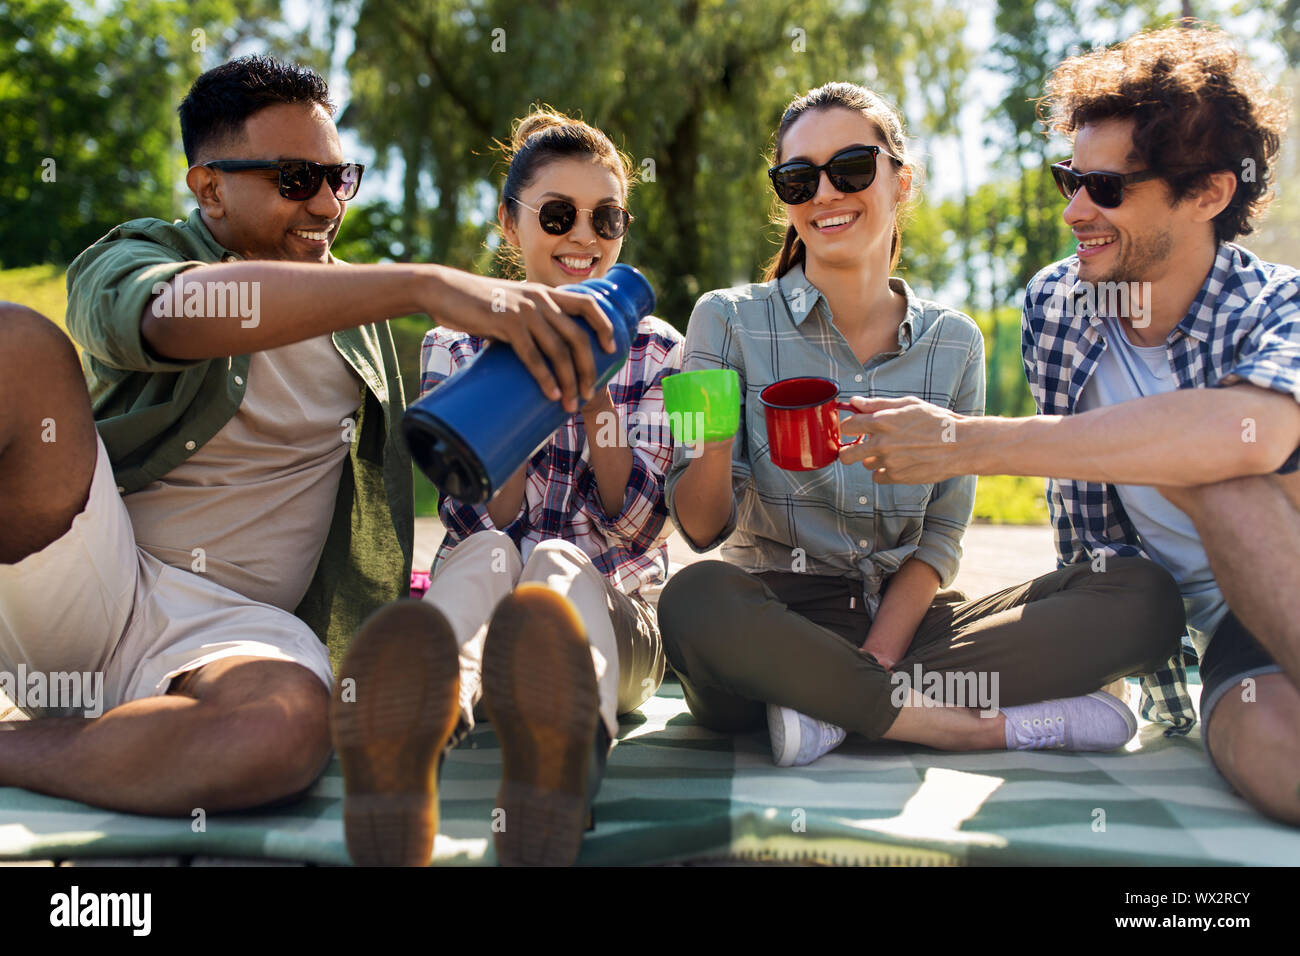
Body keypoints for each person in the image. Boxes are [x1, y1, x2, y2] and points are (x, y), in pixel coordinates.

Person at [0, 57, 614, 817]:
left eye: (339, 177)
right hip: (92, 574)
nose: (327, 204)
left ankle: (25, 745)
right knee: (16, 343)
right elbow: (164, 318)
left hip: (234, 633)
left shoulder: (364, 324)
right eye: (296, 179)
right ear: (210, 188)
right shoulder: (140, 253)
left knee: (286, 734)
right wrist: (425, 282)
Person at [834, 27, 1300, 825]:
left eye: (1108, 188)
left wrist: (964, 439)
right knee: (1278, 767)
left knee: (1223, 490)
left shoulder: (1278, 307)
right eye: (1069, 179)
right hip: (1239, 644)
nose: (1076, 209)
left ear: (1209, 193)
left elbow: (1240, 438)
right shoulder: (1060, 302)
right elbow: (1087, 536)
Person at [658, 82, 1184, 770]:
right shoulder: (722, 319)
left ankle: (837, 707)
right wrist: (715, 434)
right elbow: (700, 532)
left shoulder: (954, 342)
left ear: (902, 180)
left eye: (849, 169)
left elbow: (939, 538)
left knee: (1142, 597)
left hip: (907, 628)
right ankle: (966, 727)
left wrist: (876, 655)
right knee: (693, 602)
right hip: (773, 615)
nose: (823, 193)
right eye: (797, 178)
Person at [333, 109, 682, 867]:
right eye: (557, 215)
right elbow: (478, 508)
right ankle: (430, 709)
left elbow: (633, 528)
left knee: (558, 559)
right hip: (487, 613)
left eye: (606, 217)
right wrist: (515, 379)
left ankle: (567, 752)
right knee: (490, 548)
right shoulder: (455, 343)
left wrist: (593, 394)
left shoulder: (656, 348)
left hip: (618, 627)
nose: (584, 236)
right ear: (509, 222)